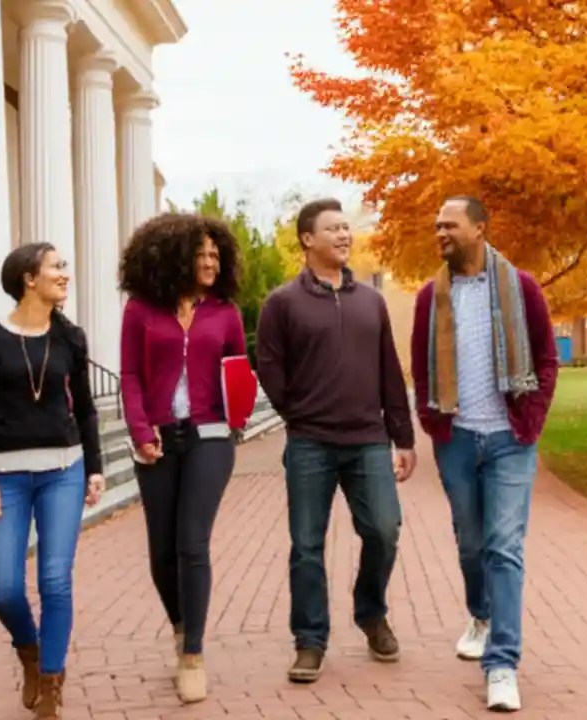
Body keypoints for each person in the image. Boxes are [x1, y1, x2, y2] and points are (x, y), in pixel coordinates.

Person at [255, 197, 416, 683]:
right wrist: (298, 413)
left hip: (368, 438)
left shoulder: (372, 300)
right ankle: (309, 641)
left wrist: (402, 437)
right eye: (333, 229)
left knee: (384, 530)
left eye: (347, 228)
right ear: (308, 240)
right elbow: (269, 368)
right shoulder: (282, 303)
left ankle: (370, 612)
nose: (345, 235)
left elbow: (390, 371)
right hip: (310, 444)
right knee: (306, 545)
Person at [410, 196, 559, 712]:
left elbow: (544, 357)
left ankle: (502, 665)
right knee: (470, 543)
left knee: (503, 547)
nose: (441, 233)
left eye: (449, 225)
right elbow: (420, 369)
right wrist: (434, 426)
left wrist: (531, 421)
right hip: (457, 438)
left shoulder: (521, 288)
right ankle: (480, 613)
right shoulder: (432, 297)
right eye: (437, 226)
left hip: (509, 441)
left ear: (479, 228)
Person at [0, 243, 107, 720]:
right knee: (5, 587)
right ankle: (29, 651)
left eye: (65, 266)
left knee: (55, 580)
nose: (65, 274)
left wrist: (95, 467)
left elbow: (85, 408)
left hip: (62, 473)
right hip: (5, 477)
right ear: (29, 277)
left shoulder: (70, 338)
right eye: (56, 267)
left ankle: (50, 683)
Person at [118, 212, 248, 704]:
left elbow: (237, 370)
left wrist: (235, 419)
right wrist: (139, 428)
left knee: (192, 542)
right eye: (201, 253)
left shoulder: (226, 313)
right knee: (161, 553)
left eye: (216, 254)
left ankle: (192, 654)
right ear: (173, 256)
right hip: (155, 437)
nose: (211, 261)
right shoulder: (141, 311)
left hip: (210, 436)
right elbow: (129, 374)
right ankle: (180, 624)